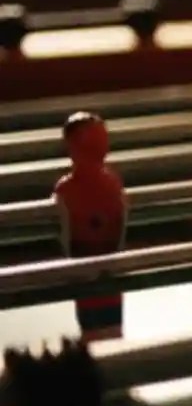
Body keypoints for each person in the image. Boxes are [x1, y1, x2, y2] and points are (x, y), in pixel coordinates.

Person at [53, 112, 128, 342]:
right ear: (73, 146)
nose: (101, 148)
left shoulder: (112, 184)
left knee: (112, 331)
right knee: (93, 332)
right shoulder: (66, 191)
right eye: (92, 142)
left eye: (102, 141)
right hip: (84, 275)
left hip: (109, 273)